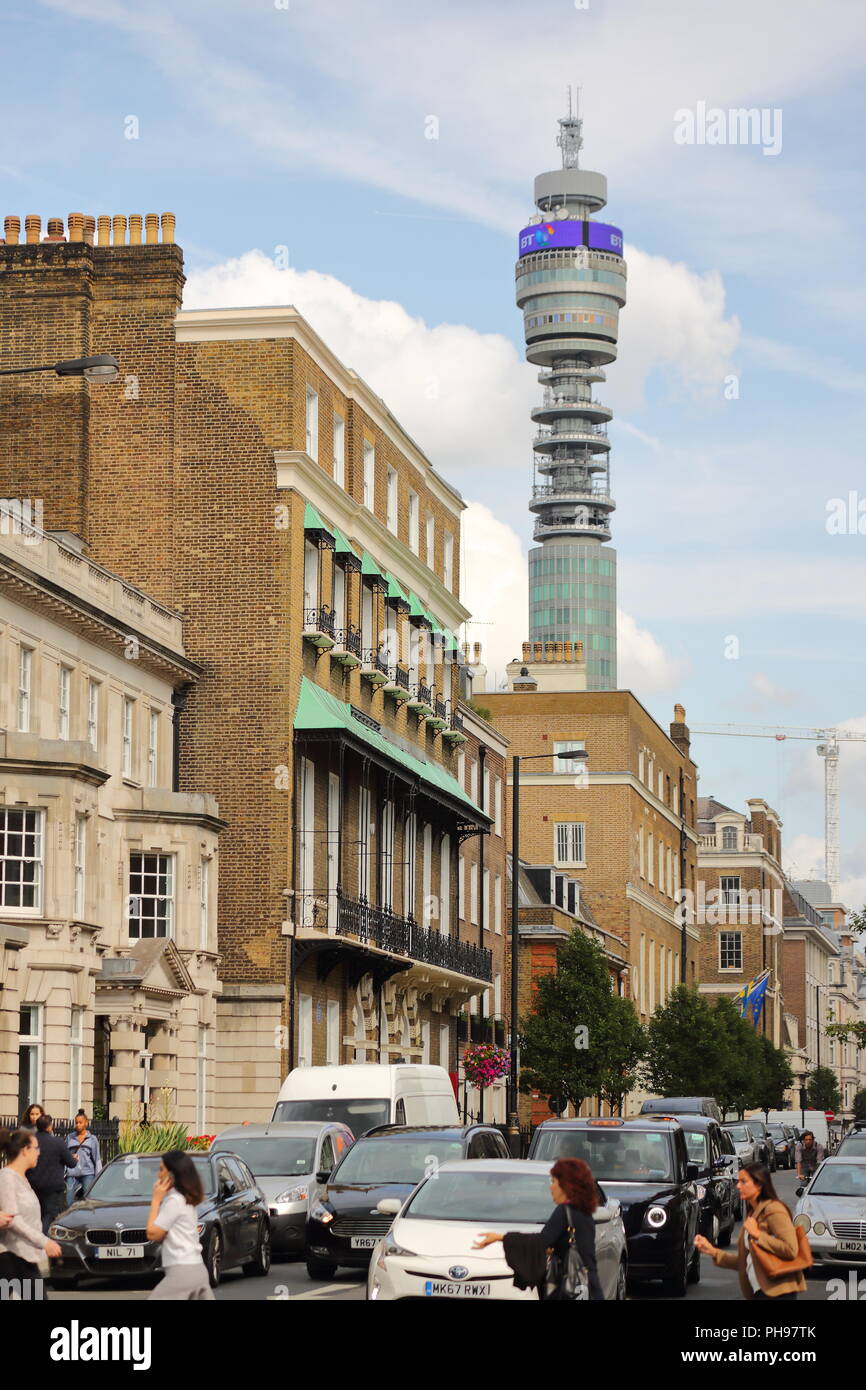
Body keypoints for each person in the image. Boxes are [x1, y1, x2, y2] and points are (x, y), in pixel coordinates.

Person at [472, 1158, 604, 1300]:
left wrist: (501, 1237)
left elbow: (541, 1241)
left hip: (571, 1286)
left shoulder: (564, 1211)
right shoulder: (584, 1212)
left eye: (553, 1181)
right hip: (588, 1286)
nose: (550, 1187)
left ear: (566, 1185)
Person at [694, 1161, 806, 1300]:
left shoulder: (774, 1210)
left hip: (778, 1291)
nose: (738, 1186)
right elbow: (744, 1262)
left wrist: (758, 1235)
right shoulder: (753, 1214)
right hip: (761, 1291)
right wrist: (712, 1251)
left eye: (744, 1182)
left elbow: (791, 1249)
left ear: (758, 1184)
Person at [146, 1150, 214, 1301]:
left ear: (172, 1175)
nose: (158, 1174)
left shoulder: (174, 1201)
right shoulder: (184, 1199)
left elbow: (153, 1233)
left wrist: (156, 1200)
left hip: (182, 1272)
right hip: (197, 1269)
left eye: (162, 1169)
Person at [0, 1128, 62, 1293]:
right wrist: (44, 1242)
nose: (39, 1153)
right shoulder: (7, 1178)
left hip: (24, 1256)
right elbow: (13, 1219)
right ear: (25, 1150)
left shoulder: (22, 1179)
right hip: (11, 1257)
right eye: (36, 1148)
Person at [28, 1115, 78, 1234]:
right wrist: (75, 1158)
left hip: (33, 1184)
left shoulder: (30, 1141)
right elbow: (71, 1164)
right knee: (49, 1215)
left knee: (36, 1214)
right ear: (50, 1127)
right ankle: (41, 1240)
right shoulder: (57, 1142)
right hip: (52, 1187)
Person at [65, 1112, 102, 1202]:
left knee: (88, 1198)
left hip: (87, 1172)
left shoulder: (92, 1139)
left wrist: (98, 1177)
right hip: (72, 1173)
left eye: (80, 1122)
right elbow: (64, 1154)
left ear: (86, 1123)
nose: (78, 1125)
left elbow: (96, 1158)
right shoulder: (70, 1137)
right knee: (69, 1199)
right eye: (76, 1122)